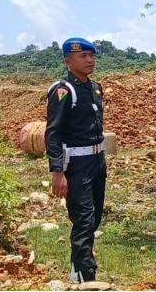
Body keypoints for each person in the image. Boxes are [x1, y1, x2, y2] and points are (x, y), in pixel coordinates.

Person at [46, 37, 107, 283]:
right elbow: (53, 132)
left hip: (97, 163)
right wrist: (57, 171)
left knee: (94, 219)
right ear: (68, 61)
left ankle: (76, 270)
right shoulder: (63, 90)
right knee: (83, 220)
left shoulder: (95, 88)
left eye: (91, 55)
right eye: (83, 56)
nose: (89, 60)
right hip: (77, 166)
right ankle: (87, 278)